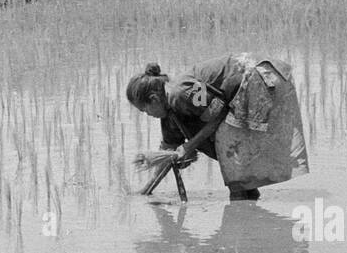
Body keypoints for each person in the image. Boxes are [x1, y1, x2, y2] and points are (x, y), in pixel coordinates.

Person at [126, 52, 310, 201]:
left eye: (145, 111)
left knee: (228, 143)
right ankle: (247, 203)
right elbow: (169, 149)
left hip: (261, 77)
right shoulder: (169, 113)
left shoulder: (180, 92)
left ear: (154, 99)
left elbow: (219, 110)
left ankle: (240, 209)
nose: (148, 115)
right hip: (256, 83)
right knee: (236, 164)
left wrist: (189, 146)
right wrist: (146, 190)